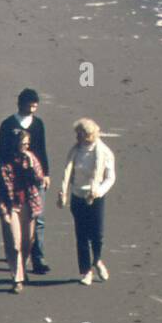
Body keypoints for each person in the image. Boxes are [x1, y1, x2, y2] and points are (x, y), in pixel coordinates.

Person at [0, 89, 50, 275]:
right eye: (31, 104)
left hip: (34, 178)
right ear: (21, 103)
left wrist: (46, 173)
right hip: (14, 181)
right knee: (15, 219)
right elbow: (1, 152)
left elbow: (42, 149)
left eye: (36, 104)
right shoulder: (8, 125)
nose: (34, 107)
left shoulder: (38, 124)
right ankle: (17, 262)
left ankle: (38, 258)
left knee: (38, 218)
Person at [57, 118, 115, 285]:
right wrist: (64, 192)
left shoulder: (104, 152)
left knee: (97, 235)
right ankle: (85, 271)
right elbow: (68, 173)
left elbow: (110, 178)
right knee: (81, 235)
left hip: (95, 198)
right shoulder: (75, 151)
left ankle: (97, 260)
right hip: (77, 196)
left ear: (91, 134)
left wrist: (98, 191)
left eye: (82, 134)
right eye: (78, 133)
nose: (79, 137)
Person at [0, 127, 44, 293]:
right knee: (14, 243)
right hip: (11, 205)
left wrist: (31, 164)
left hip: (29, 203)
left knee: (27, 241)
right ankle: (17, 278)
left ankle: (22, 267)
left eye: (27, 144)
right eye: (23, 144)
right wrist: (3, 212)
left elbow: (40, 180)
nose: (26, 147)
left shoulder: (30, 158)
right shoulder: (2, 163)